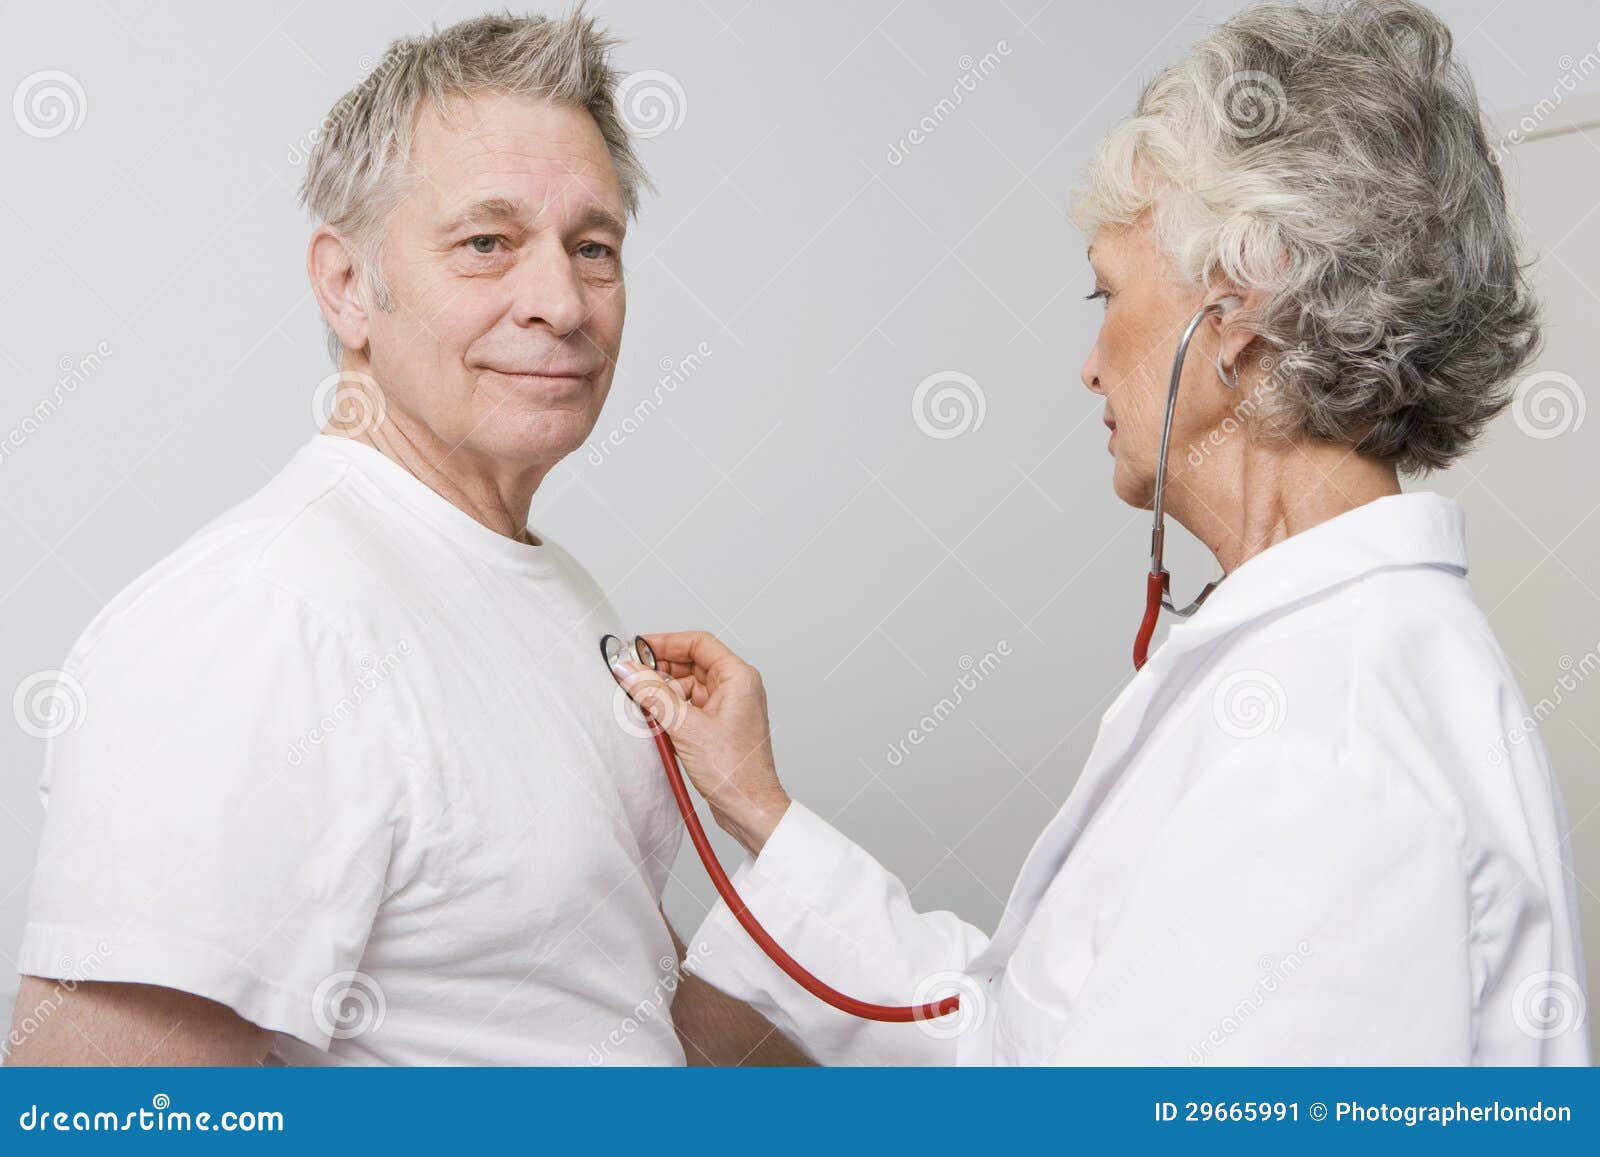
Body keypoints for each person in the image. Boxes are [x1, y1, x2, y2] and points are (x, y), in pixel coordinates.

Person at [617, 0, 1590, 1064]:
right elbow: (1023, 1045)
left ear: (1242, 320)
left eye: (1107, 291)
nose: (1087, 362)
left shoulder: (1326, 741)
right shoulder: (1321, 670)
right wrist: (757, 804)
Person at [6, 11, 801, 1067]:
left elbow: (605, 984)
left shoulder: (543, 587)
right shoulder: (256, 618)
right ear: (347, 286)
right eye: (487, 243)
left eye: (593, 247)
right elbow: (102, 1113)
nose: (560, 302)